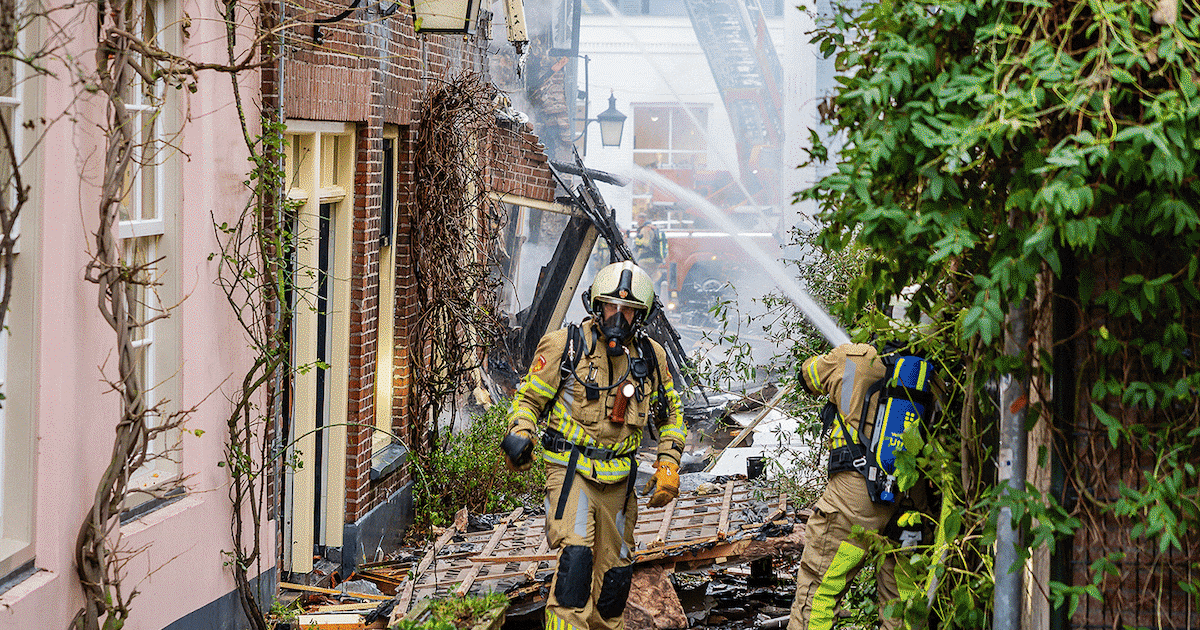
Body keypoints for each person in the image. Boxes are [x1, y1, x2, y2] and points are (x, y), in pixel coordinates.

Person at [501, 261, 688, 630]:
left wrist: (669, 463)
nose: (618, 317)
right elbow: (528, 401)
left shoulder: (651, 357)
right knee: (576, 563)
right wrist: (522, 432)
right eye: (610, 307)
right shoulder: (564, 346)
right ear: (595, 305)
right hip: (572, 474)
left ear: (642, 315)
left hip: (619, 483)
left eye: (628, 310)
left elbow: (673, 416)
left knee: (615, 583)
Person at [787, 342, 926, 630]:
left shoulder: (853, 355)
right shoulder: (928, 368)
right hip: (912, 500)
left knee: (821, 590)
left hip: (855, 498)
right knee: (904, 602)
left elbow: (807, 376)